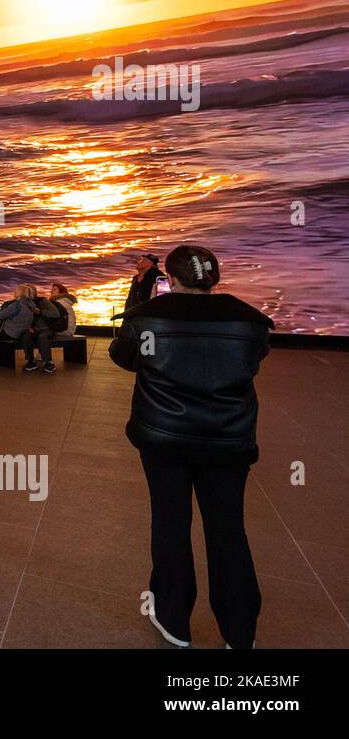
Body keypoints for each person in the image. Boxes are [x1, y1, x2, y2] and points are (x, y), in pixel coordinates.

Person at [109, 244, 270, 650]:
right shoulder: (249, 321)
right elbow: (254, 361)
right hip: (228, 441)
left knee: (170, 524)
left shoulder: (145, 319)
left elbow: (124, 358)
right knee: (228, 530)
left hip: (164, 439)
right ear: (213, 278)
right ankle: (239, 631)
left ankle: (174, 622)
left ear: (171, 279)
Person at [24, 288, 63, 374]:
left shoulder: (42, 301)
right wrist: (28, 326)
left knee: (43, 336)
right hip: (33, 329)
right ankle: (31, 361)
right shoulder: (24, 303)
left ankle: (48, 362)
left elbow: (55, 313)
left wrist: (40, 312)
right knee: (26, 335)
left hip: (47, 328)